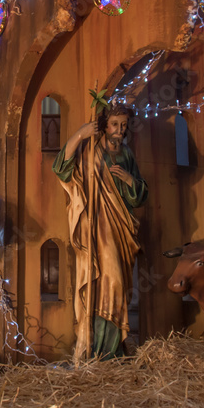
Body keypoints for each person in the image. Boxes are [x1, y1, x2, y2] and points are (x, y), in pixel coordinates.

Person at [53, 103, 148, 360]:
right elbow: (61, 168)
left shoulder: (126, 154)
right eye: (115, 124)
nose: (120, 130)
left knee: (118, 284)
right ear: (104, 125)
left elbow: (140, 195)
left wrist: (129, 180)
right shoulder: (90, 150)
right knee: (105, 282)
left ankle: (113, 350)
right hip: (96, 229)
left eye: (124, 125)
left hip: (121, 229)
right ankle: (96, 350)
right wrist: (80, 135)